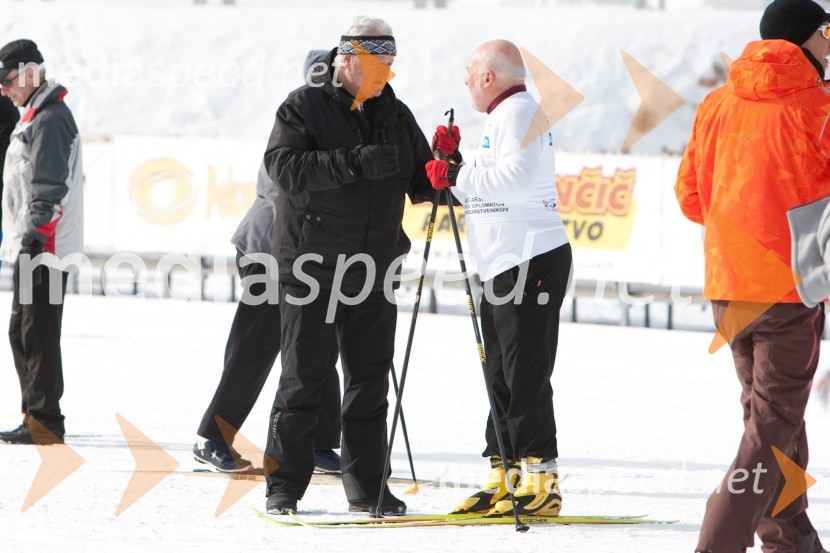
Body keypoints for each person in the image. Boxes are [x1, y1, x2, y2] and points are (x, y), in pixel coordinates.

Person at [263, 16, 436, 516]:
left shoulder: (395, 114)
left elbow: (424, 181)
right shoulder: (304, 105)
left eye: (391, 65)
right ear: (348, 61)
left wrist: (445, 165)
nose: (387, 75)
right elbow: (283, 167)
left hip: (373, 268)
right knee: (303, 380)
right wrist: (353, 162)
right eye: (380, 65)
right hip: (312, 266)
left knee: (369, 384)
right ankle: (283, 487)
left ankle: (368, 489)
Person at [675, 1, 830, 551]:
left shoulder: (717, 102)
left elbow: (690, 196)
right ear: (802, 38)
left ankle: (790, 536)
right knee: (769, 429)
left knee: (772, 422)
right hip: (789, 290)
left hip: (728, 289)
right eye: (827, 31)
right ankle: (718, 543)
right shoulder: (819, 107)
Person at [424, 39, 572, 517]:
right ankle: (504, 474)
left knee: (524, 373)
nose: (466, 80)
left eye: (471, 72)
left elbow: (516, 184)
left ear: (489, 76)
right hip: (503, 263)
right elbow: (489, 191)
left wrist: (456, 174)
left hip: (529, 258)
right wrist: (456, 167)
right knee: (500, 375)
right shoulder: (503, 115)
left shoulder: (519, 112)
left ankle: (541, 480)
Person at [193, 52, 342, 475]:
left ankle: (318, 444)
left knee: (316, 344)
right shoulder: (304, 117)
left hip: (308, 252)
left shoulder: (335, 121)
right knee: (256, 345)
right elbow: (291, 192)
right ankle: (211, 439)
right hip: (271, 248)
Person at [0, 39, 84, 445]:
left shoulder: (50, 119)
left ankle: (45, 421)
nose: (4, 90)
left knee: (38, 335)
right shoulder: (36, 115)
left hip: (44, 248)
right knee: (22, 332)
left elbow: (49, 187)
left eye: (7, 80)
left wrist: (35, 239)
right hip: (33, 244)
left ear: (31, 73)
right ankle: (34, 413)